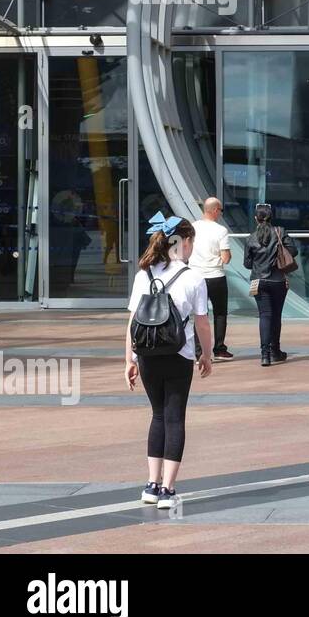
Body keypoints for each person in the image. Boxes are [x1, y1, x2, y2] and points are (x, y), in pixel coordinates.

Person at [125, 213, 213, 510]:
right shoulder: (193, 277)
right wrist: (207, 354)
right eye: (191, 243)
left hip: (147, 354)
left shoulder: (143, 274)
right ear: (184, 242)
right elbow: (202, 323)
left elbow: (132, 322)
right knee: (175, 417)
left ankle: (150, 485)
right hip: (179, 354)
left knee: (157, 416)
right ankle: (168, 489)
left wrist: (129, 360)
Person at [243, 203, 298, 367]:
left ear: (255, 219)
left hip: (258, 281)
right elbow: (293, 251)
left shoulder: (250, 238)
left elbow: (247, 264)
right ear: (271, 217)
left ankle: (264, 355)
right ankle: (276, 351)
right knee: (276, 316)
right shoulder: (280, 231)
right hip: (278, 280)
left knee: (265, 316)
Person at [191, 197, 233, 361]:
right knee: (220, 313)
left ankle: (198, 350)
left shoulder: (192, 228)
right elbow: (226, 258)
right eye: (221, 210)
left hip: (196, 276)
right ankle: (219, 349)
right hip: (215, 276)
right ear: (215, 210)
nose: (221, 213)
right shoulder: (221, 230)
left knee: (199, 314)